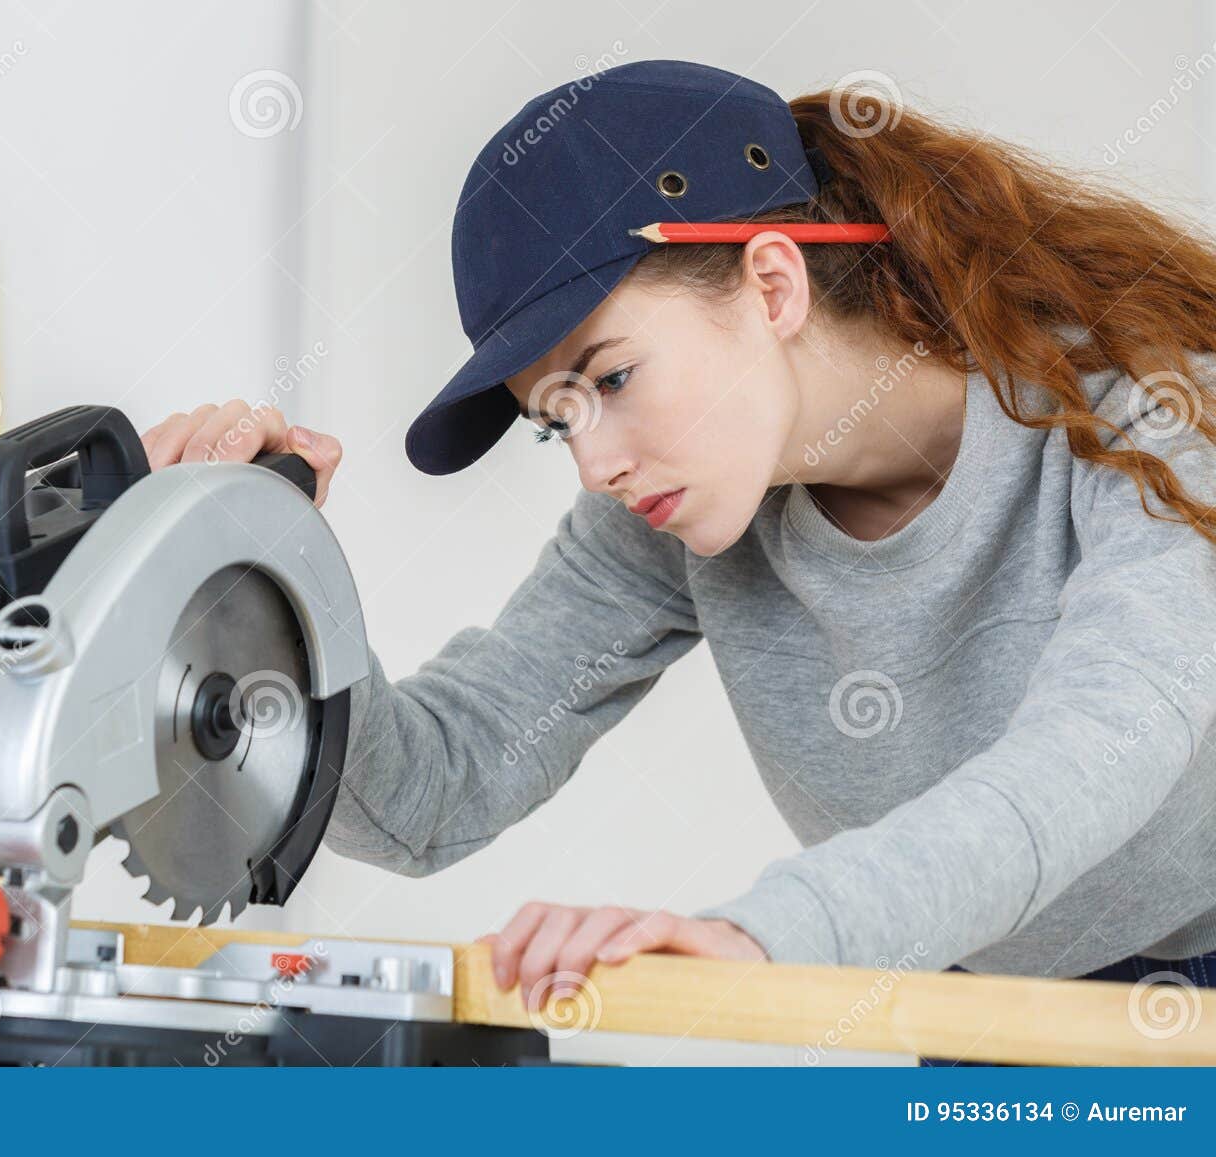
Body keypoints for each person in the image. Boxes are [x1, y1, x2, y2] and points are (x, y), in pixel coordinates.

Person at [136, 60, 1216, 1064]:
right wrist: (256, 577)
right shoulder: (667, 512)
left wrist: (764, 935)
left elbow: (1104, 741)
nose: (595, 464)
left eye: (609, 378)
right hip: (982, 1003)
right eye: (556, 421)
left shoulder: (1149, 408)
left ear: (774, 284)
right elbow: (430, 792)